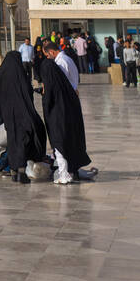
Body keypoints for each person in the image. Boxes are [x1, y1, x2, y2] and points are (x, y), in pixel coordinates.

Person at [0, 48, 48, 185]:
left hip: (8, 115)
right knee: (23, 140)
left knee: (13, 141)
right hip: (22, 114)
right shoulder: (20, 73)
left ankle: (14, 171)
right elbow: (27, 92)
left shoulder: (1, 73)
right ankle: (22, 171)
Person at [40, 55, 92, 185]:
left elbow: (48, 101)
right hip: (67, 121)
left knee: (59, 146)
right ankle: (70, 172)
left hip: (58, 121)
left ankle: (64, 175)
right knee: (64, 145)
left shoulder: (53, 86)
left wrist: (44, 96)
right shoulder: (65, 87)